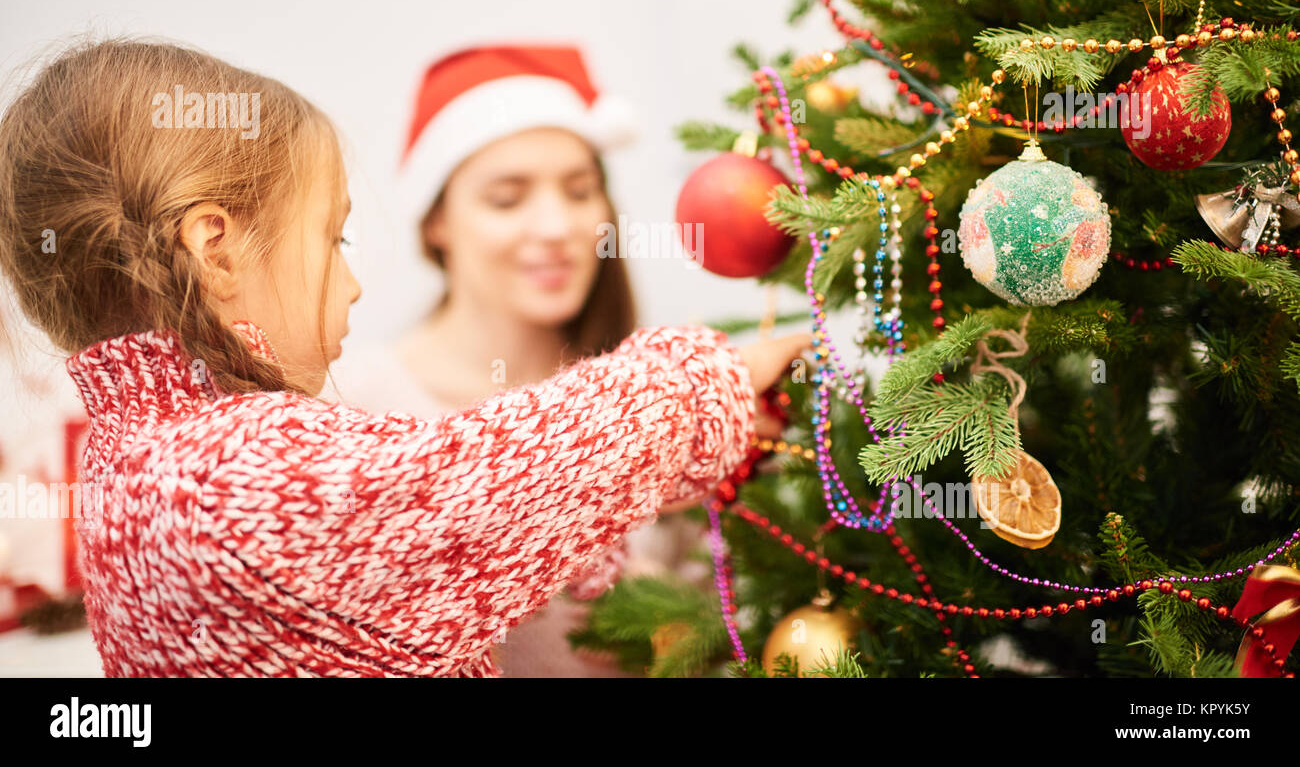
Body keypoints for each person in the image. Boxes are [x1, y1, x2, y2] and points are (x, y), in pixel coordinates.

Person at [0, 36, 811, 677]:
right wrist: (718, 375)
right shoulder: (229, 469)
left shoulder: (134, 454)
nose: (352, 285)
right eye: (333, 238)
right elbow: (480, 478)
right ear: (214, 249)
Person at [324, 44, 716, 676]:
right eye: (507, 199)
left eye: (580, 190)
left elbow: (713, 635)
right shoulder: (351, 405)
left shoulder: (656, 403)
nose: (557, 225)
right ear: (437, 224)